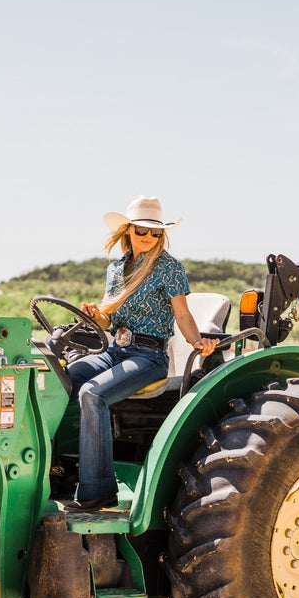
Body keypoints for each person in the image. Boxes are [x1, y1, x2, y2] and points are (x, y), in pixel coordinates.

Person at [64, 196, 219, 512]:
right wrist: (96, 315)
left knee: (93, 394)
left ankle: (99, 490)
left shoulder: (169, 269)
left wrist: (197, 342)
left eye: (155, 233)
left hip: (148, 358)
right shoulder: (116, 269)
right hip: (114, 351)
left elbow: (183, 315)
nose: (148, 238)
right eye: (141, 231)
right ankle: (58, 473)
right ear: (128, 232)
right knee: (60, 377)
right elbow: (109, 319)